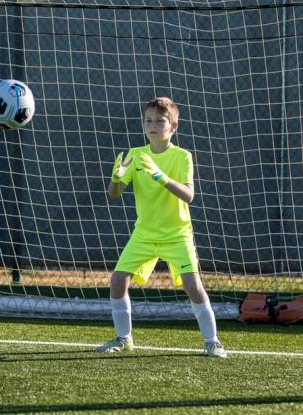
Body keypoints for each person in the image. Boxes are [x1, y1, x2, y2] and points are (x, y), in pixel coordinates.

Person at [97, 97, 227, 358]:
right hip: (144, 234)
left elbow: (189, 196)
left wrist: (161, 176)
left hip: (177, 235)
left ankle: (212, 342)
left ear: (173, 127)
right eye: (148, 121)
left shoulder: (182, 157)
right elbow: (114, 194)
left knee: (193, 286)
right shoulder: (135, 155)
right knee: (117, 280)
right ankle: (123, 338)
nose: (153, 125)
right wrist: (115, 178)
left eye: (160, 121)